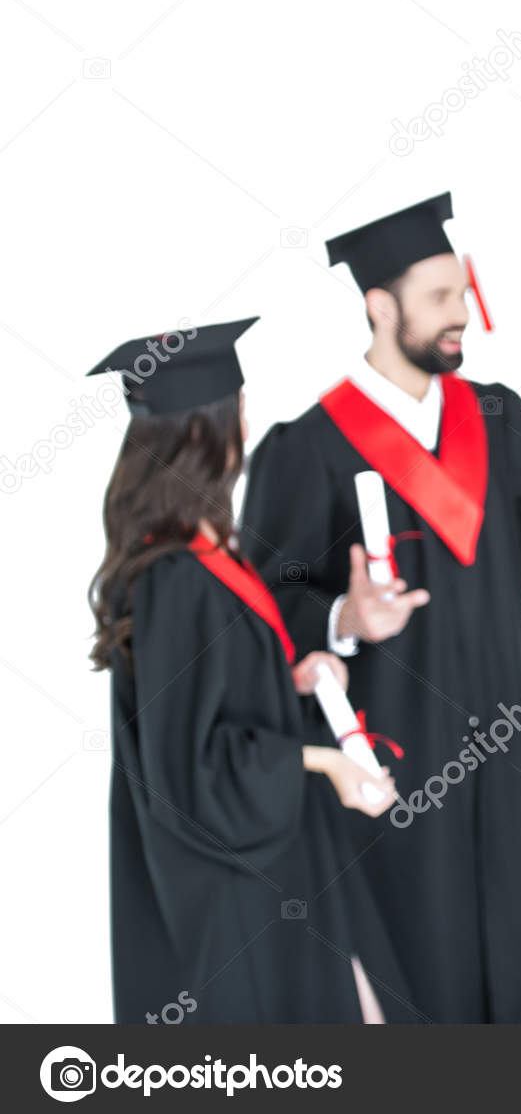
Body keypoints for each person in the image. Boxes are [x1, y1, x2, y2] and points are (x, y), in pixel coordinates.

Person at [239, 193, 521, 1022]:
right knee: (419, 965)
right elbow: (260, 604)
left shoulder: (493, 415)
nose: (462, 314)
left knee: (513, 955)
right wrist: (343, 617)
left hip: (501, 751)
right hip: (392, 764)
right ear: (381, 307)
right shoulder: (307, 447)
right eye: (440, 297)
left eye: (462, 292)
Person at [87, 316, 418, 1024]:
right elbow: (192, 769)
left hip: (273, 864)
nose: (248, 420)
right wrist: (324, 762)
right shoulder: (175, 578)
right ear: (211, 435)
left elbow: (215, 705)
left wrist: (286, 681)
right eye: (239, 407)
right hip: (231, 892)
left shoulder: (206, 556)